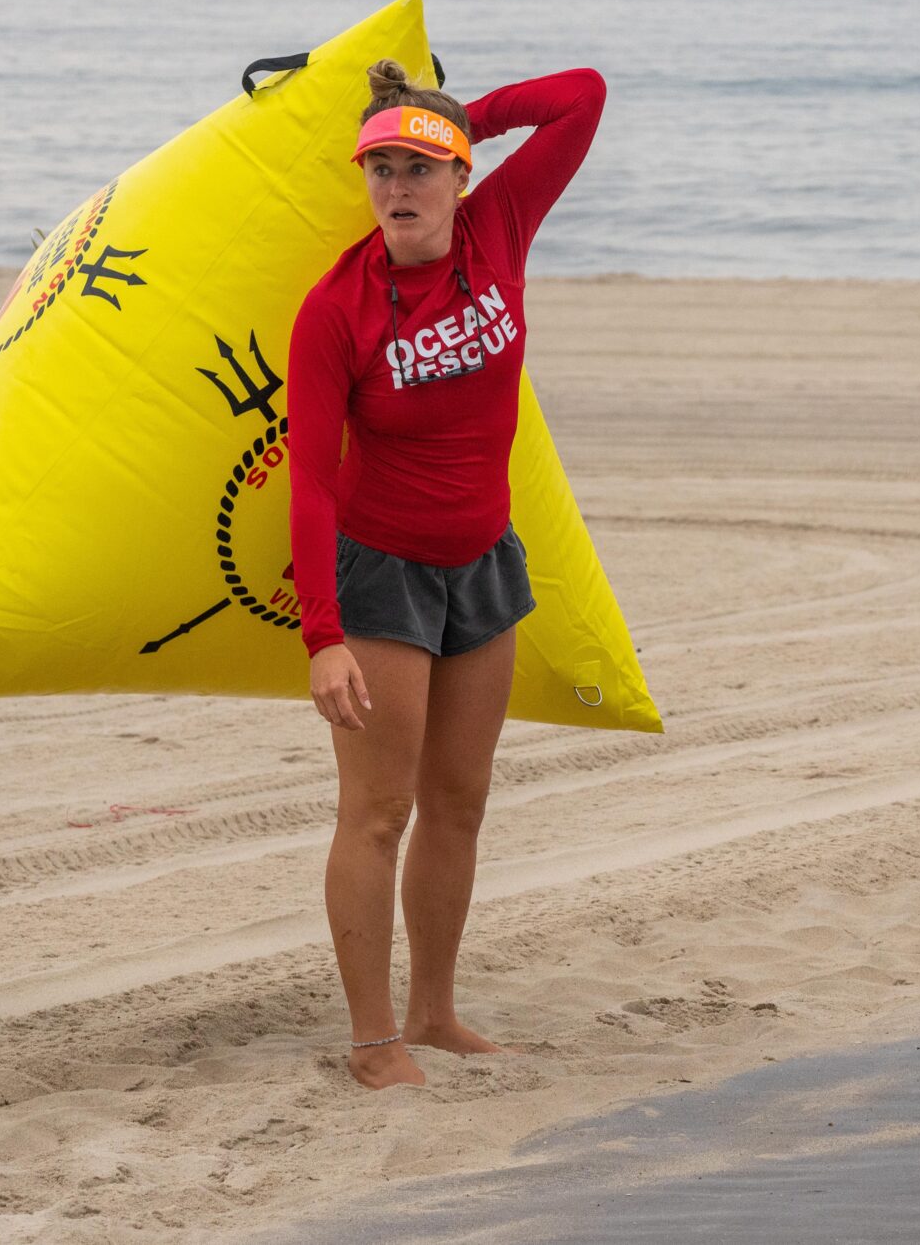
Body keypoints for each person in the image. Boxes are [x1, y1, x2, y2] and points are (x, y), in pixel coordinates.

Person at [289, 56, 605, 1089]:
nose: (399, 188)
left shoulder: (497, 227)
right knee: (376, 814)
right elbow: (311, 480)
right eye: (382, 167)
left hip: (484, 560)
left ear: (462, 176)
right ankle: (372, 1038)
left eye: (422, 167)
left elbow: (584, 94)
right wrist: (322, 634)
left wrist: (461, 112)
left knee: (459, 802)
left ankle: (432, 1013)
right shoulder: (335, 308)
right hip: (383, 575)